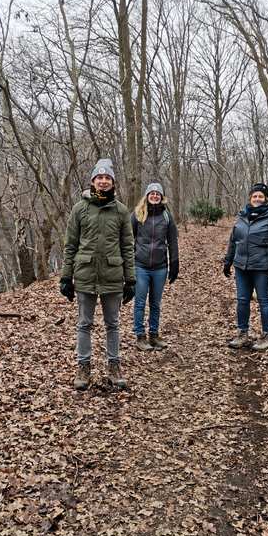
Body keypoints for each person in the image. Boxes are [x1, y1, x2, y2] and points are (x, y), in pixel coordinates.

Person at [59, 158, 136, 390]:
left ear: (113, 182)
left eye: (107, 178)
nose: (103, 181)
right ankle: (83, 367)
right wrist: (66, 276)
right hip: (85, 274)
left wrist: (130, 279)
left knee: (113, 324)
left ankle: (114, 367)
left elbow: (127, 246)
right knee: (84, 324)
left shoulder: (121, 211)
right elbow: (70, 245)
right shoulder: (79, 209)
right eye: (99, 177)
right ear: (93, 181)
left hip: (113, 275)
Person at [223, 182, 268, 350]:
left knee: (264, 301)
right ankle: (242, 333)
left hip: (262, 268)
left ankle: (267, 335)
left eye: (260, 196)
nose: (257, 198)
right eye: (254, 196)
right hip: (241, 267)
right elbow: (233, 241)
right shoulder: (242, 217)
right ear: (250, 198)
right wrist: (228, 261)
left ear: (265, 198)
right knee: (242, 300)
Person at [130, 182, 179, 351]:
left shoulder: (166, 216)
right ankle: (140, 336)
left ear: (161, 197)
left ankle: (154, 334)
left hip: (160, 267)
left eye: (158, 194)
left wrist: (174, 263)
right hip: (140, 265)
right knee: (140, 302)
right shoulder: (137, 214)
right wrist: (128, 263)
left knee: (156, 303)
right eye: (152, 193)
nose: (155, 196)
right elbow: (128, 240)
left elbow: (172, 240)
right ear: (147, 195)